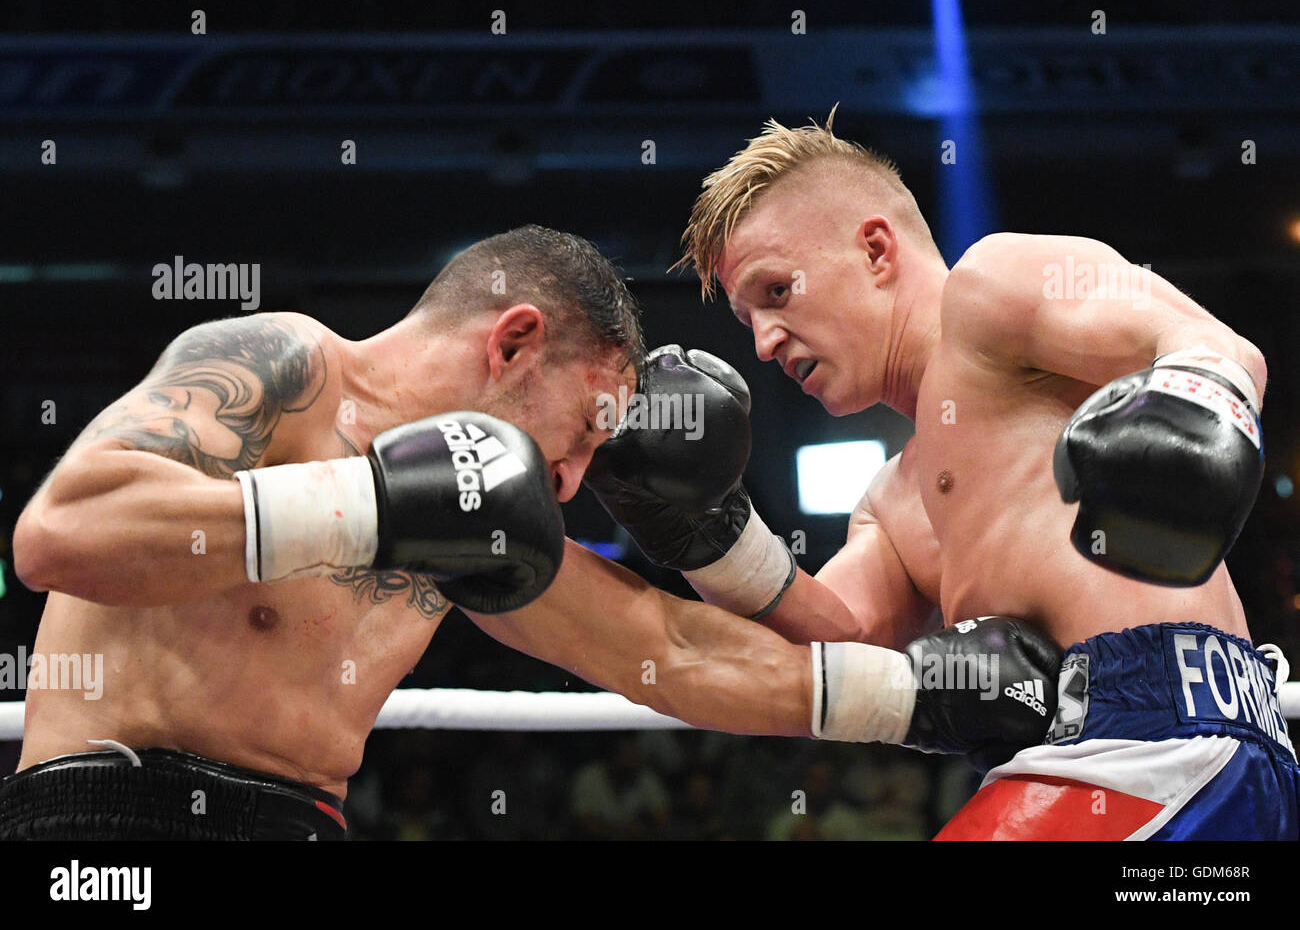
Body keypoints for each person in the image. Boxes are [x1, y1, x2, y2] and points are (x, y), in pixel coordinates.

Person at [5, 224, 1059, 840]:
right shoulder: (285, 366)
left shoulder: (478, 520)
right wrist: (367, 503)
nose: (567, 484)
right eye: (583, 432)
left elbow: (675, 651)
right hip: (111, 823)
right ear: (515, 341)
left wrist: (919, 696)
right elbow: (61, 532)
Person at [588, 112, 1299, 839]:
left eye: (776, 293)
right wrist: (710, 535)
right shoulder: (894, 498)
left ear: (874, 249)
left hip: (1158, 747)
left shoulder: (989, 291)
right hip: (1159, 761)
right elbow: (835, 642)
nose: (766, 342)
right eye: (748, 322)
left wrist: (1199, 405)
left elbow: (1210, 343)